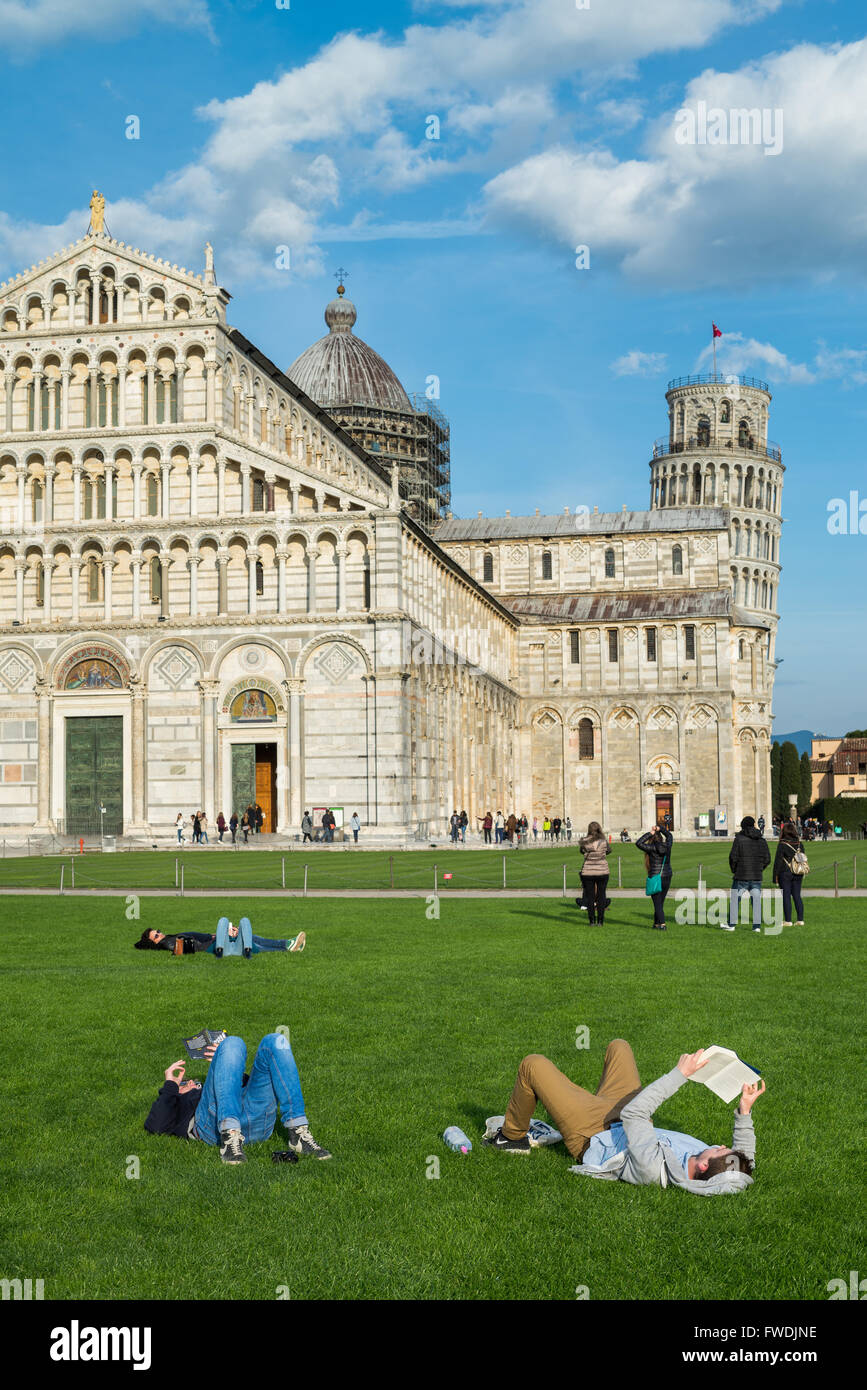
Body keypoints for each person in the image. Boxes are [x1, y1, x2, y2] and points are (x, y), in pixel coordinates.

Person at [485, 1039, 762, 1196]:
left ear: (703, 1167)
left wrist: (681, 1075)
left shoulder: (652, 1168)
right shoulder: (719, 1171)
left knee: (533, 1065)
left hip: (592, 1132)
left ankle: (511, 1138)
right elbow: (745, 1158)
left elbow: (635, 1113)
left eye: (719, 1151)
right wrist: (745, 1111)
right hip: (628, 1121)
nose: (720, 1146)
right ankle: (584, 1101)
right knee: (620, 1047)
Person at [144, 1031, 330, 1165]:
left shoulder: (208, 1087)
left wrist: (223, 1063)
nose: (192, 1083)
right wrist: (170, 1085)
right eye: (185, 1084)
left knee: (276, 1040)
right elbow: (156, 1125)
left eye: (194, 1081)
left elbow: (248, 1088)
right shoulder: (180, 1104)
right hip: (213, 1128)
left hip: (257, 1122)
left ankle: (298, 1132)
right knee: (233, 1042)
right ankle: (229, 1139)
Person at [725, 815, 770, 932]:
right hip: (756, 875)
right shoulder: (761, 839)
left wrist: (735, 869)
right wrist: (760, 868)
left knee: (735, 900)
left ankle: (731, 924)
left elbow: (733, 857)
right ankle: (756, 926)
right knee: (755, 902)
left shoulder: (739, 839)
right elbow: (767, 859)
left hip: (741, 875)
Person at [134, 925, 307, 955]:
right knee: (250, 940)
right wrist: (219, 937)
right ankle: (287, 944)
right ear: (154, 943)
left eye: (158, 931)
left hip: (214, 940)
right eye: (156, 936)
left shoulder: (169, 939)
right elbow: (189, 947)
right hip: (213, 944)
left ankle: (289, 946)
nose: (159, 934)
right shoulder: (168, 943)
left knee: (251, 940)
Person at [635, 824, 673, 930]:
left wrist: (649, 833)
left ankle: (662, 924)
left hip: (656, 875)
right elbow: (669, 835)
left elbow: (638, 843)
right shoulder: (667, 846)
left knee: (657, 903)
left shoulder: (651, 848)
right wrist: (660, 828)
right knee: (660, 902)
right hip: (667, 875)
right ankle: (656, 923)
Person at [773, 819, 806, 927]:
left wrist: (775, 876)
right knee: (797, 895)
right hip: (798, 871)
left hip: (785, 872)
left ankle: (788, 921)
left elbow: (778, 861)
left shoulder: (782, 844)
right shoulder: (800, 844)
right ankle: (800, 920)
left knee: (786, 896)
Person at [578, 821, 611, 925]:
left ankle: (592, 921)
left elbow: (582, 851)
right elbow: (609, 851)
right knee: (601, 896)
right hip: (602, 870)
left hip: (588, 871)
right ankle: (600, 921)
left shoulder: (584, 841)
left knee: (590, 897)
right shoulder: (603, 841)